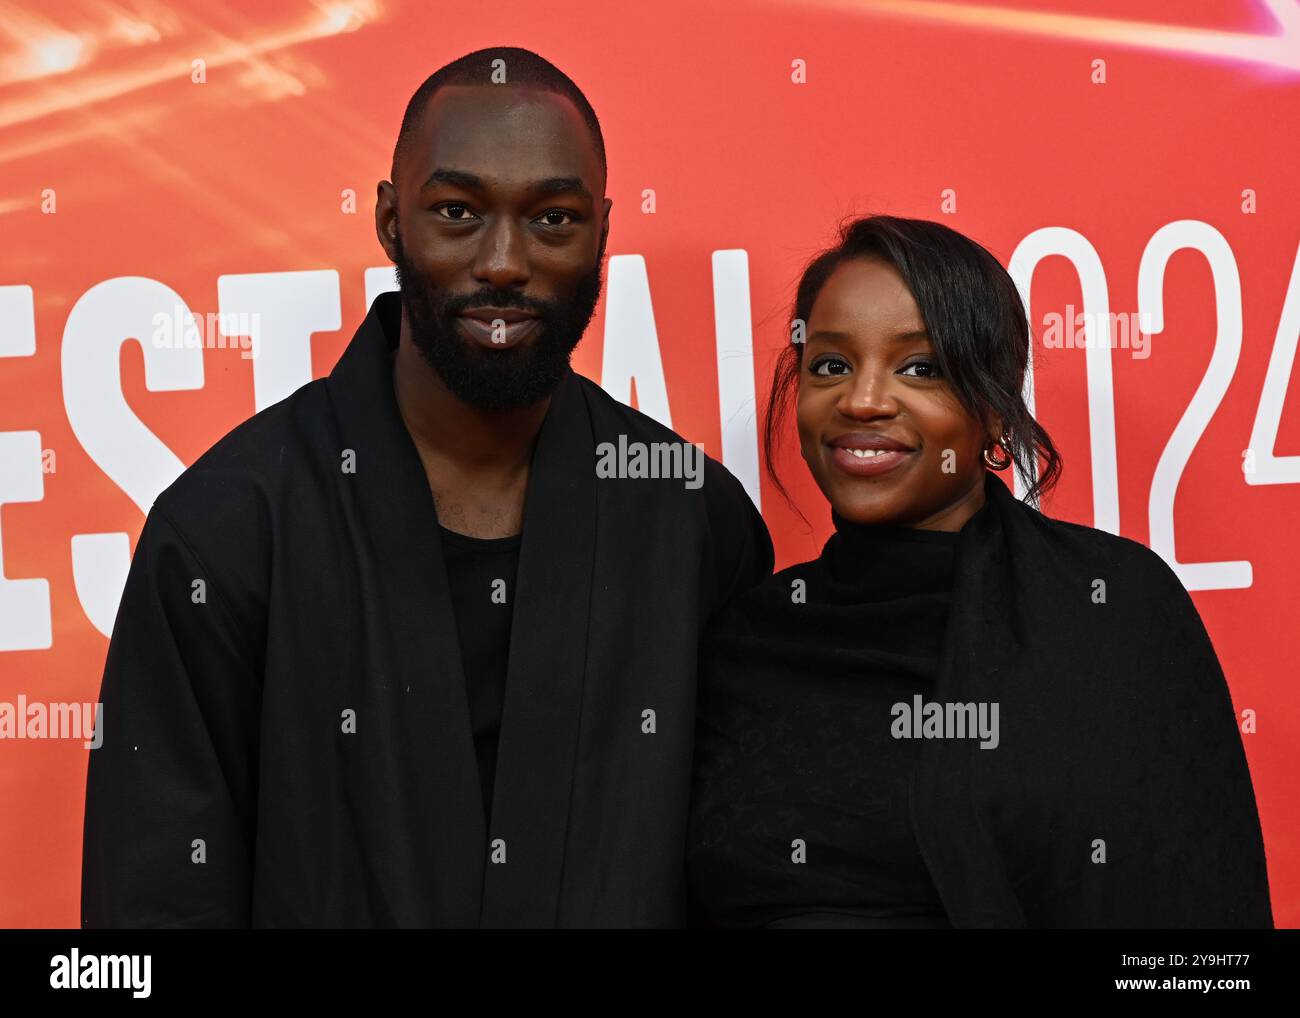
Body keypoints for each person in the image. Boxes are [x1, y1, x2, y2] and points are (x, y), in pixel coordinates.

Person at [82, 46, 772, 928]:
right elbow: (150, 902)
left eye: (553, 220)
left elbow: (756, 871)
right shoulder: (226, 530)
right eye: (456, 211)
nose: (503, 262)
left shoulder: (691, 521)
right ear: (388, 220)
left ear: (602, 230)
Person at [686, 215, 1273, 929]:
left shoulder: (1106, 611)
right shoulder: (746, 639)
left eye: (921, 367)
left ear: (996, 412)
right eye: (831, 365)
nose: (862, 400)